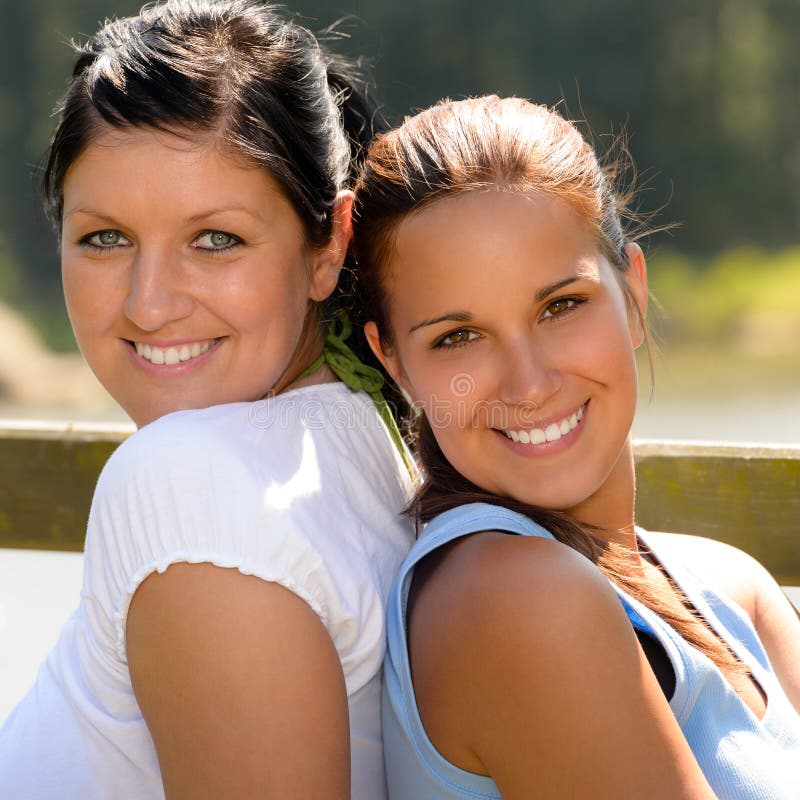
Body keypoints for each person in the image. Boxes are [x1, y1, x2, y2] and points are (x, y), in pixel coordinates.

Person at [0, 2, 415, 798]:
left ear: (329, 243)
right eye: (105, 238)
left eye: (215, 239)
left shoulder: (187, 482)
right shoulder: (375, 433)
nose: (149, 304)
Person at [351, 95, 800, 799]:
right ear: (394, 362)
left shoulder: (726, 585)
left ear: (634, 295)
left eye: (559, 306)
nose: (529, 385)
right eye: (458, 337)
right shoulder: (514, 599)